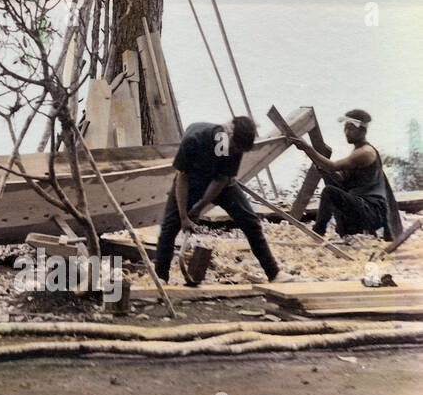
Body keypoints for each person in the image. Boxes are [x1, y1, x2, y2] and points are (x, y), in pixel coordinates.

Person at [154, 116, 289, 284]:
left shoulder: (234, 145)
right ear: (228, 134)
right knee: (170, 226)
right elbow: (182, 177)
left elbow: (221, 179)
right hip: (191, 180)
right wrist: (184, 216)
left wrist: (199, 208)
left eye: (237, 150)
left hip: (220, 182)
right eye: (233, 148)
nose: (234, 152)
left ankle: (274, 273)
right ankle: (161, 278)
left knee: (250, 222)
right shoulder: (194, 140)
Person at [289, 109, 403, 244]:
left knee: (329, 191)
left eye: (350, 129)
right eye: (345, 128)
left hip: (372, 211)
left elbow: (332, 166)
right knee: (329, 180)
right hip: (363, 208)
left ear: (362, 131)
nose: (346, 133)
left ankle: (318, 233)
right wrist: (322, 168)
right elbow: (340, 178)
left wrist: (307, 148)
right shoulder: (357, 150)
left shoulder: (365, 153)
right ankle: (345, 231)